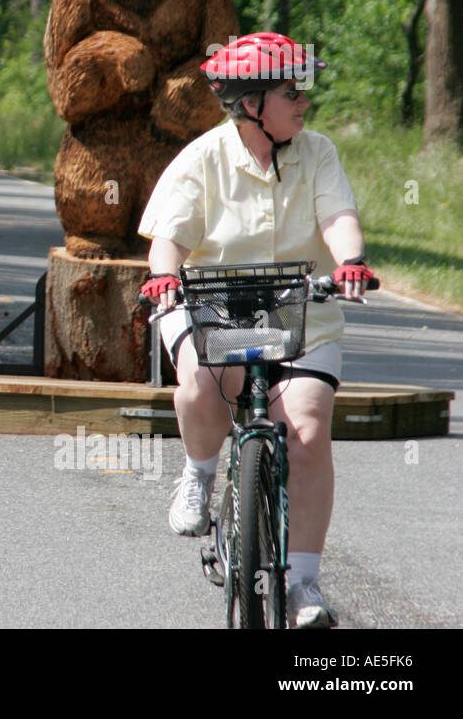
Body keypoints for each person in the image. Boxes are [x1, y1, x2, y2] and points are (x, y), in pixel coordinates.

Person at [138, 31, 375, 629]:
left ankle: (302, 583)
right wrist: (165, 276)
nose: (303, 101)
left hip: (300, 313)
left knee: (309, 428)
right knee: (209, 377)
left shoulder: (317, 152)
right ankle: (199, 473)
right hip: (213, 305)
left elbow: (338, 215)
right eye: (289, 91)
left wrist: (348, 261)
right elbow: (170, 236)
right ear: (251, 104)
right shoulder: (203, 158)